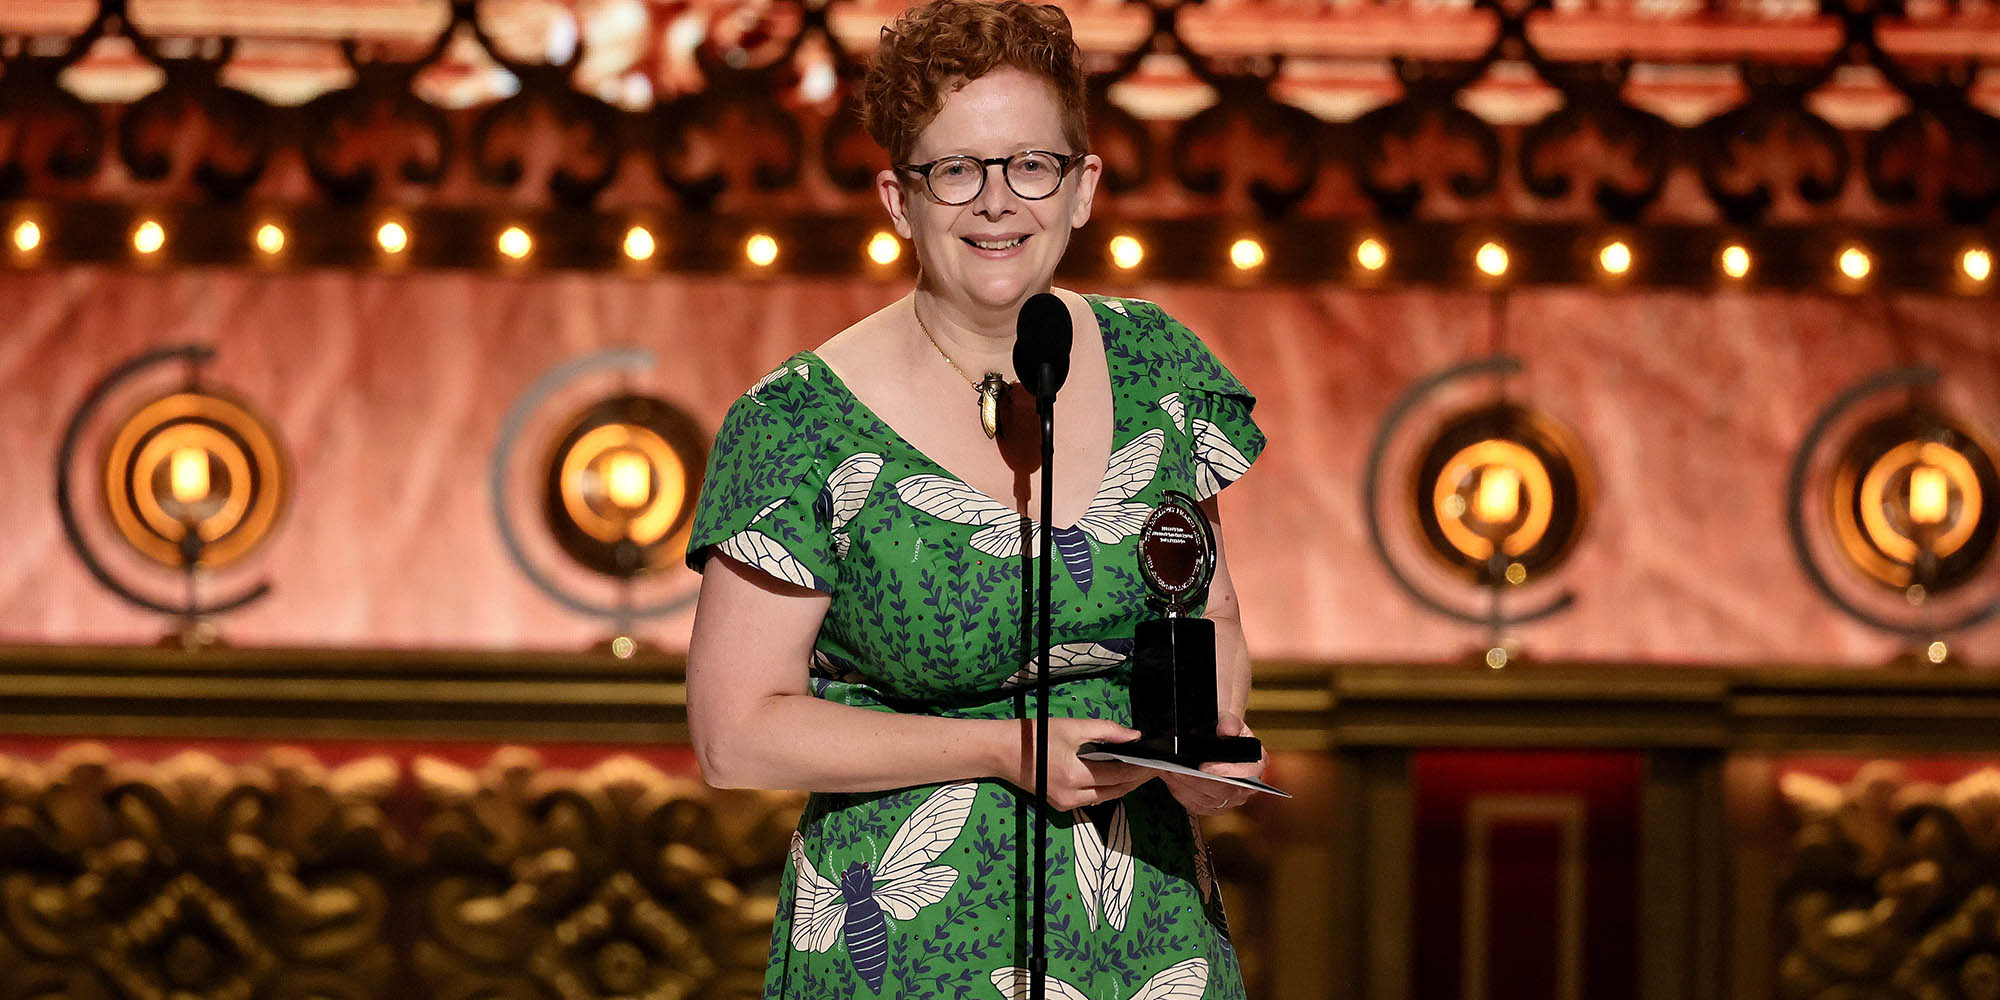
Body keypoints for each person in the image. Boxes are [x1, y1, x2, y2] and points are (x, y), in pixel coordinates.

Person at [684, 1, 1267, 995]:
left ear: (1081, 188)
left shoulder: (1162, 368)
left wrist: (1212, 756)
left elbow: (1205, 616)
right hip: (906, 948)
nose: (997, 202)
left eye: (1030, 164)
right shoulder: (796, 423)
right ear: (897, 200)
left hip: (1141, 934)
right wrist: (1002, 750)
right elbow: (732, 735)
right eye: (956, 170)